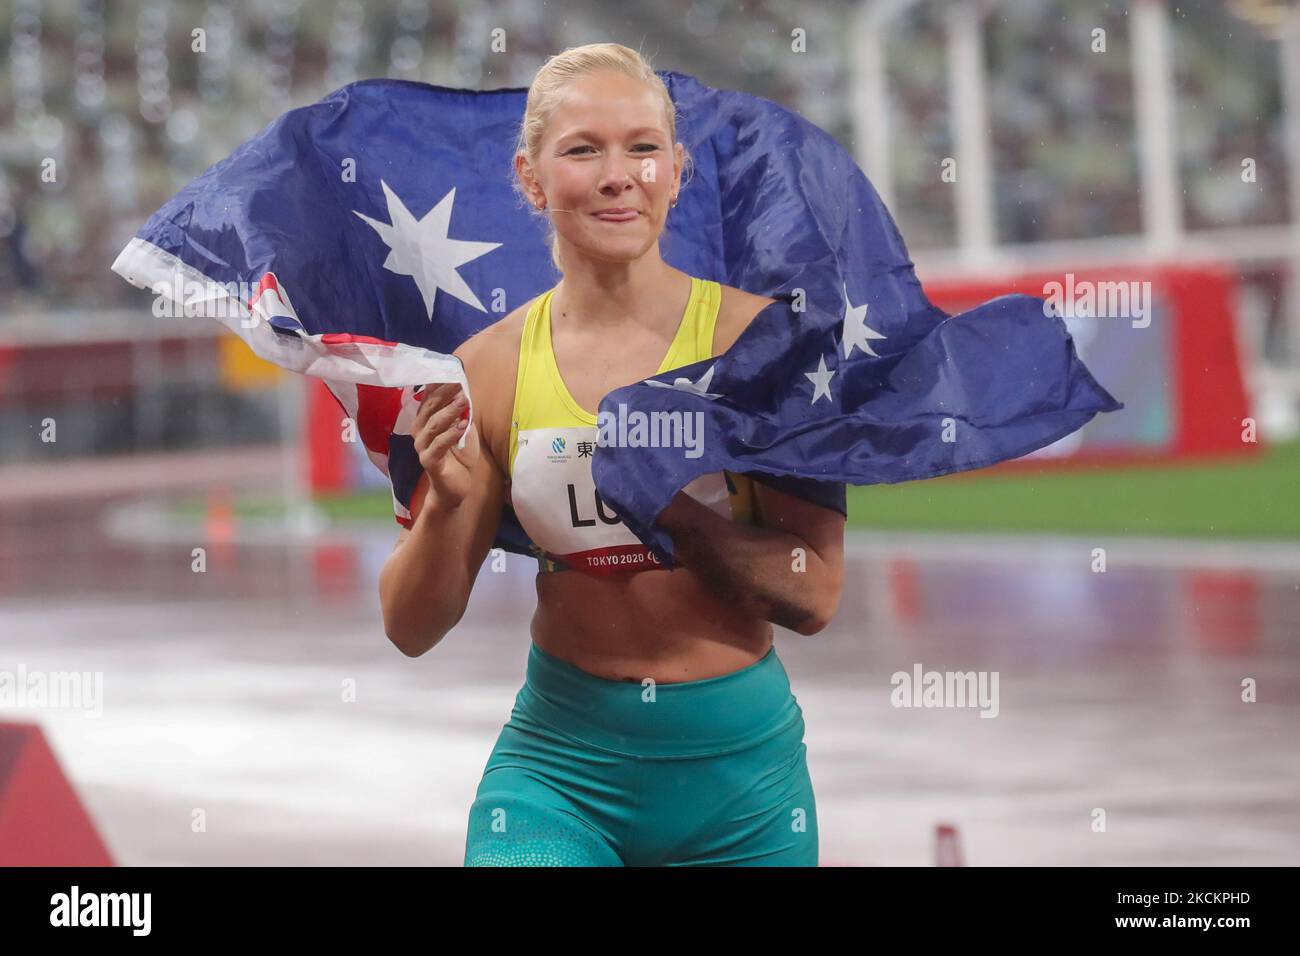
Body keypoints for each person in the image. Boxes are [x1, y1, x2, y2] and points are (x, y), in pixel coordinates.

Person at [378, 42, 846, 866]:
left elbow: (815, 596)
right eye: (582, 150)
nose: (616, 174)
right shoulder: (484, 370)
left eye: (642, 147)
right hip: (558, 776)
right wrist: (448, 510)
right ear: (530, 178)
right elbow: (410, 628)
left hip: (742, 791)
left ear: (676, 170)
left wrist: (670, 514)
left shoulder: (763, 346)